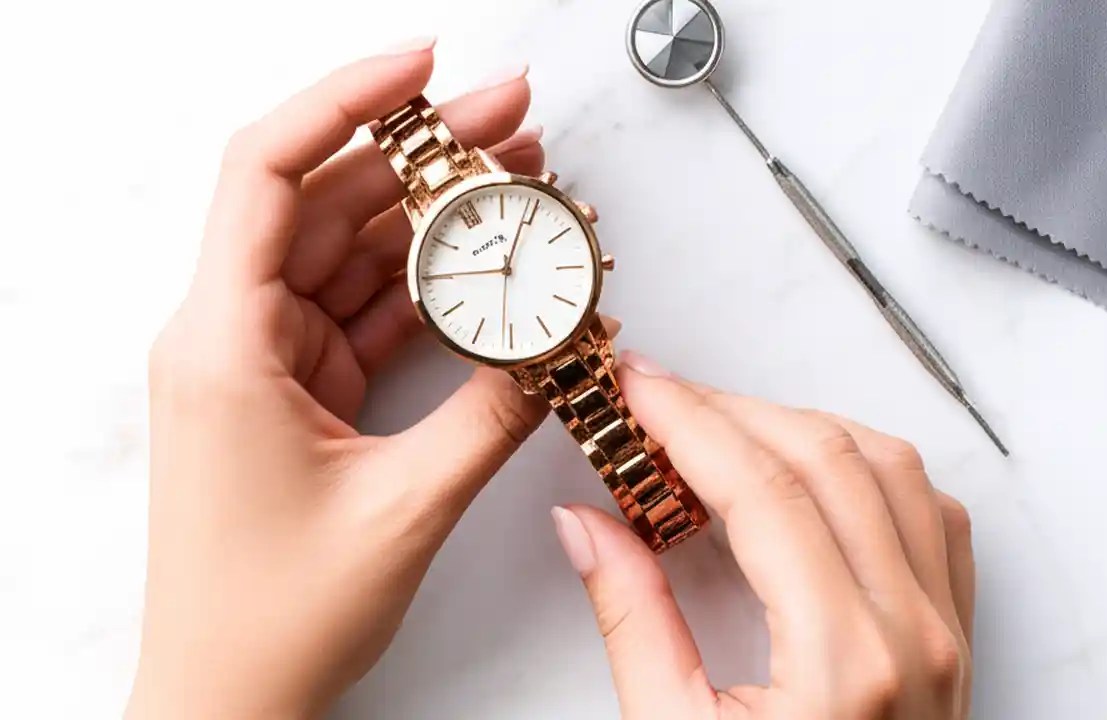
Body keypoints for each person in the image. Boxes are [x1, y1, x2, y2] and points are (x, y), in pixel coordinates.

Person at [127, 39, 975, 720]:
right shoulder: (464, 275)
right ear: (429, 301)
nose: (494, 274)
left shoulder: (502, 231)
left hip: (547, 325)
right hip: (540, 346)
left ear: (575, 231)